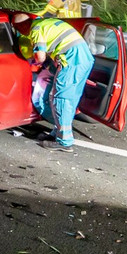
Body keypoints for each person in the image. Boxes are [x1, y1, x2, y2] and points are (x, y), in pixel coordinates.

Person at [28, 16, 95, 153]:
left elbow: (40, 57)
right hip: (82, 58)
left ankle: (64, 142)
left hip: (72, 60)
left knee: (61, 98)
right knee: (70, 100)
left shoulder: (36, 29)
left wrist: (34, 59)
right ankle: (58, 133)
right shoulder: (48, 22)